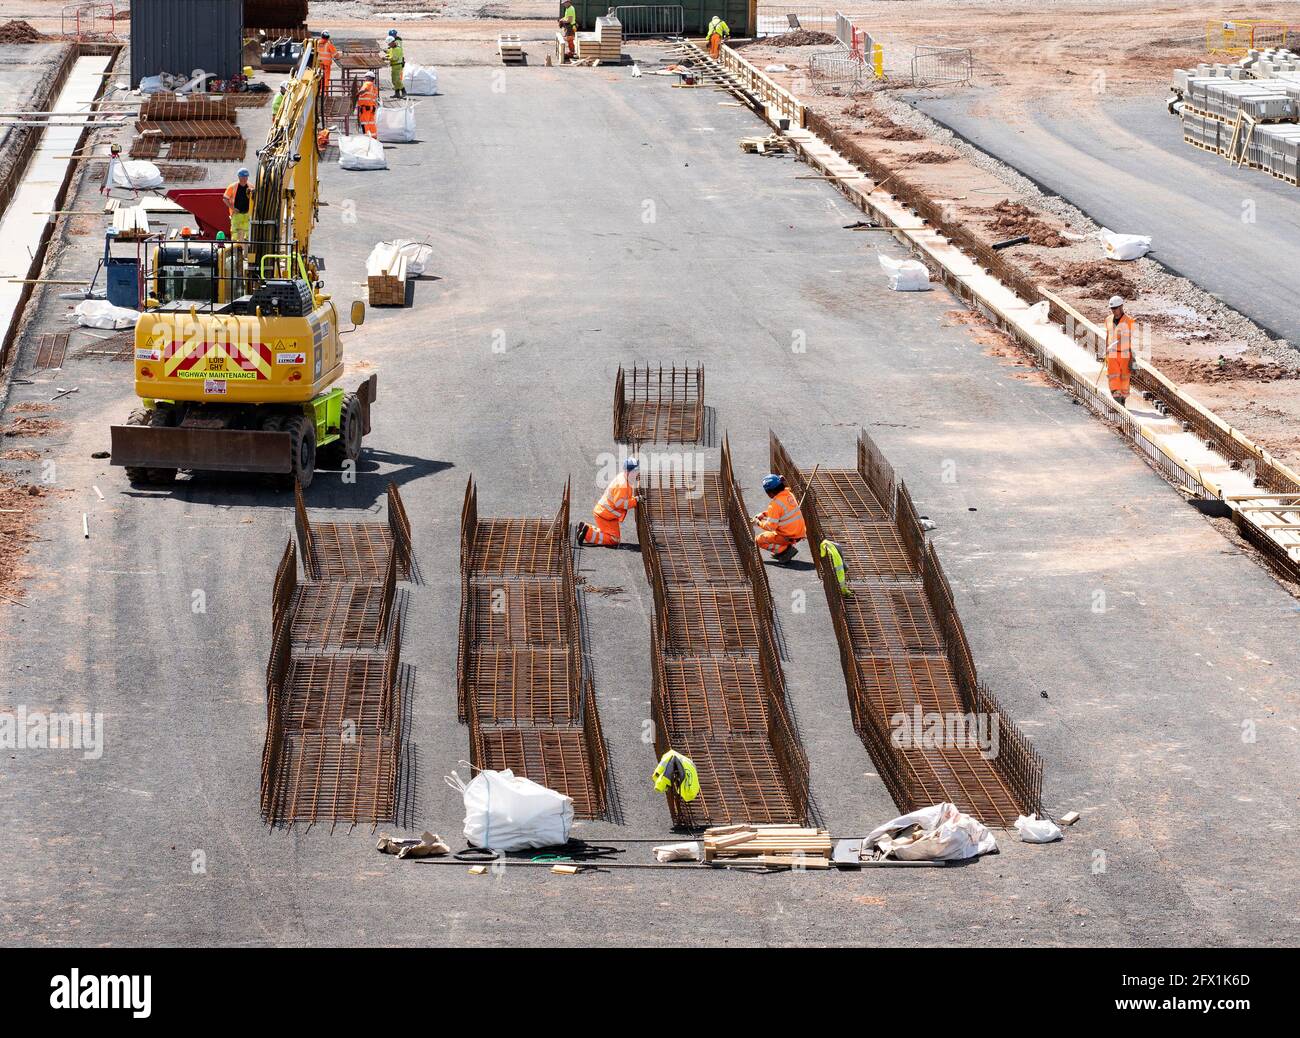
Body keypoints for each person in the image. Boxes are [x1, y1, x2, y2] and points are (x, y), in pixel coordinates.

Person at [576, 457, 639, 547]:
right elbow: (620, 503)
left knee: (611, 536)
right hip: (605, 515)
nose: (636, 473)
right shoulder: (622, 485)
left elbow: (624, 498)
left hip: (606, 513)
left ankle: (586, 528)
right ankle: (587, 533)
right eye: (634, 471)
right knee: (613, 540)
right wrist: (635, 501)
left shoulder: (625, 479)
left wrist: (634, 499)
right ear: (627, 472)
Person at [752, 473, 805, 563]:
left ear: (770, 492)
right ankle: (785, 547)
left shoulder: (775, 504)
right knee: (772, 532)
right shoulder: (788, 494)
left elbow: (770, 527)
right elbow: (782, 513)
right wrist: (764, 514)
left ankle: (784, 551)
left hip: (788, 536)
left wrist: (757, 523)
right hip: (799, 533)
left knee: (758, 540)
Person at [1105, 294, 1136, 406]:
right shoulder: (1108, 320)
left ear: (1121, 307)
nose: (1113, 311)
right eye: (1112, 309)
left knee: (1124, 378)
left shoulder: (1129, 321)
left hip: (1124, 354)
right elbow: (1108, 335)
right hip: (1112, 354)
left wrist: (1115, 344)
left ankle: (1122, 400)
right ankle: (1116, 400)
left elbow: (1127, 337)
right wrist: (1106, 350)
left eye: (1115, 308)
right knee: (1113, 377)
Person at [223, 167, 253, 242]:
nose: (245, 179)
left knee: (247, 232)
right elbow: (225, 199)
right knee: (235, 233)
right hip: (236, 213)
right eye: (243, 177)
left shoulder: (251, 187)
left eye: (246, 177)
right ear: (239, 177)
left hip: (247, 214)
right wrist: (233, 208)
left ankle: (246, 247)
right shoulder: (232, 187)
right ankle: (235, 246)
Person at [356, 72, 379, 137]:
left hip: (365, 108)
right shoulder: (374, 87)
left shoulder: (367, 83)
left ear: (369, 77)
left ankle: (366, 138)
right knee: (371, 123)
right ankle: (373, 137)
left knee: (365, 123)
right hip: (372, 108)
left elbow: (364, 90)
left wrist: (356, 94)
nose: (364, 79)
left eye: (365, 77)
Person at [385, 29, 405, 98]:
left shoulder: (397, 46)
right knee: (394, 80)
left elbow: (394, 58)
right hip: (394, 65)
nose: (389, 45)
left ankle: (403, 90)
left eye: (389, 44)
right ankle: (397, 93)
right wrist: (387, 53)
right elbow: (391, 53)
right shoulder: (393, 48)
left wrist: (386, 58)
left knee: (397, 80)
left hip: (398, 65)